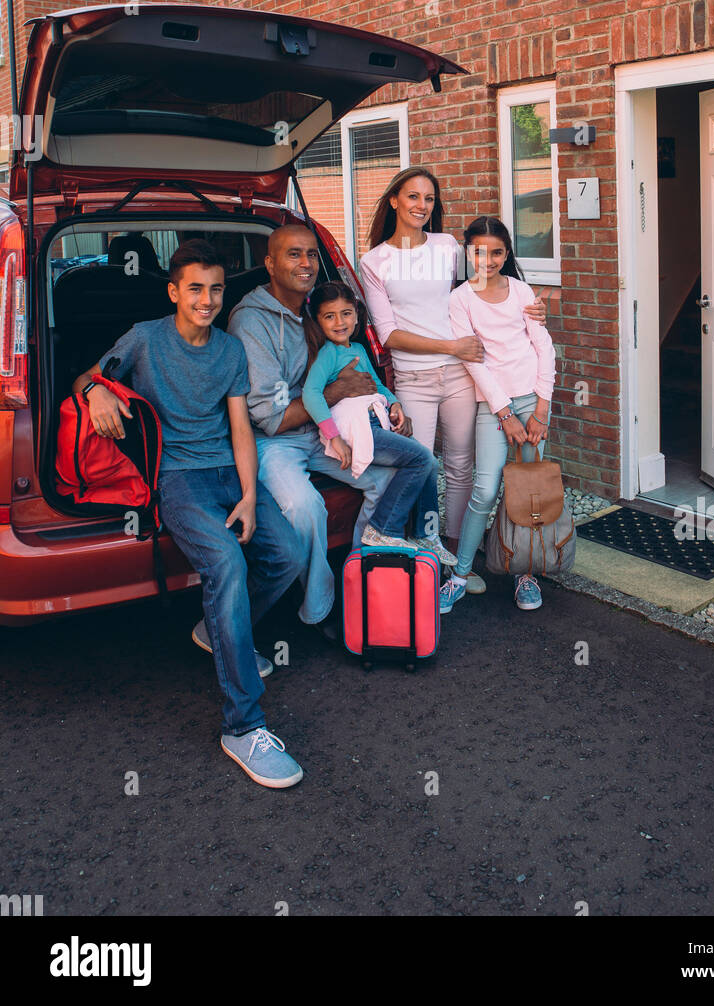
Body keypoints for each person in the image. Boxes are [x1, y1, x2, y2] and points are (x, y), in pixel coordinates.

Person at [72, 239, 309, 790]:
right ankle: (243, 727)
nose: (207, 299)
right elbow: (86, 377)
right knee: (225, 563)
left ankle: (219, 629)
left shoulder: (229, 349)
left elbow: (240, 428)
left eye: (217, 289)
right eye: (195, 289)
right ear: (174, 291)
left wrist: (250, 496)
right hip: (177, 479)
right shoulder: (146, 338)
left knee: (288, 553)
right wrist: (97, 396)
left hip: (228, 471)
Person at [359, 167, 546, 589]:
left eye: (428, 198)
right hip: (415, 379)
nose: (421, 206)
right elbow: (388, 334)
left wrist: (532, 311)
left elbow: (486, 283)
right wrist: (450, 346)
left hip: (463, 376)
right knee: (422, 465)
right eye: (412, 196)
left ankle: (457, 551)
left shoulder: (446, 247)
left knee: (461, 467)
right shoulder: (375, 261)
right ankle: (427, 550)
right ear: (394, 201)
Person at [227, 222, 409, 619]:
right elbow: (271, 420)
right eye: (294, 254)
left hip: (324, 430)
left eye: (312, 254)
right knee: (306, 507)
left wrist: (385, 401)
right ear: (270, 264)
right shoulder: (251, 322)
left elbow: (358, 370)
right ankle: (319, 606)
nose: (307, 263)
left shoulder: (316, 308)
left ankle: (359, 576)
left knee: (387, 481)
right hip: (274, 441)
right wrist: (337, 391)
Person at [438, 216, 556, 614]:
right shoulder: (460, 299)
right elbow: (474, 361)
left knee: (529, 492)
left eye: (497, 252)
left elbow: (545, 350)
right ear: (467, 251)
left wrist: (541, 409)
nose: (487, 260)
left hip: (533, 403)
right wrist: (504, 412)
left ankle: (525, 573)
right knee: (486, 489)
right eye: (478, 251)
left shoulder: (522, 292)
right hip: (493, 406)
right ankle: (459, 575)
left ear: (507, 253)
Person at [301, 281, 444, 552]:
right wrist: (335, 438)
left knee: (430, 464)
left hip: (377, 422)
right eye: (329, 316)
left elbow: (376, 386)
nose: (339, 322)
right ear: (317, 321)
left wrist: (395, 404)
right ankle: (383, 528)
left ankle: (426, 534)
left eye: (346, 313)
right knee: (422, 459)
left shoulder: (357, 349)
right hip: (357, 429)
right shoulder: (328, 355)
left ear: (356, 313)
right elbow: (311, 394)